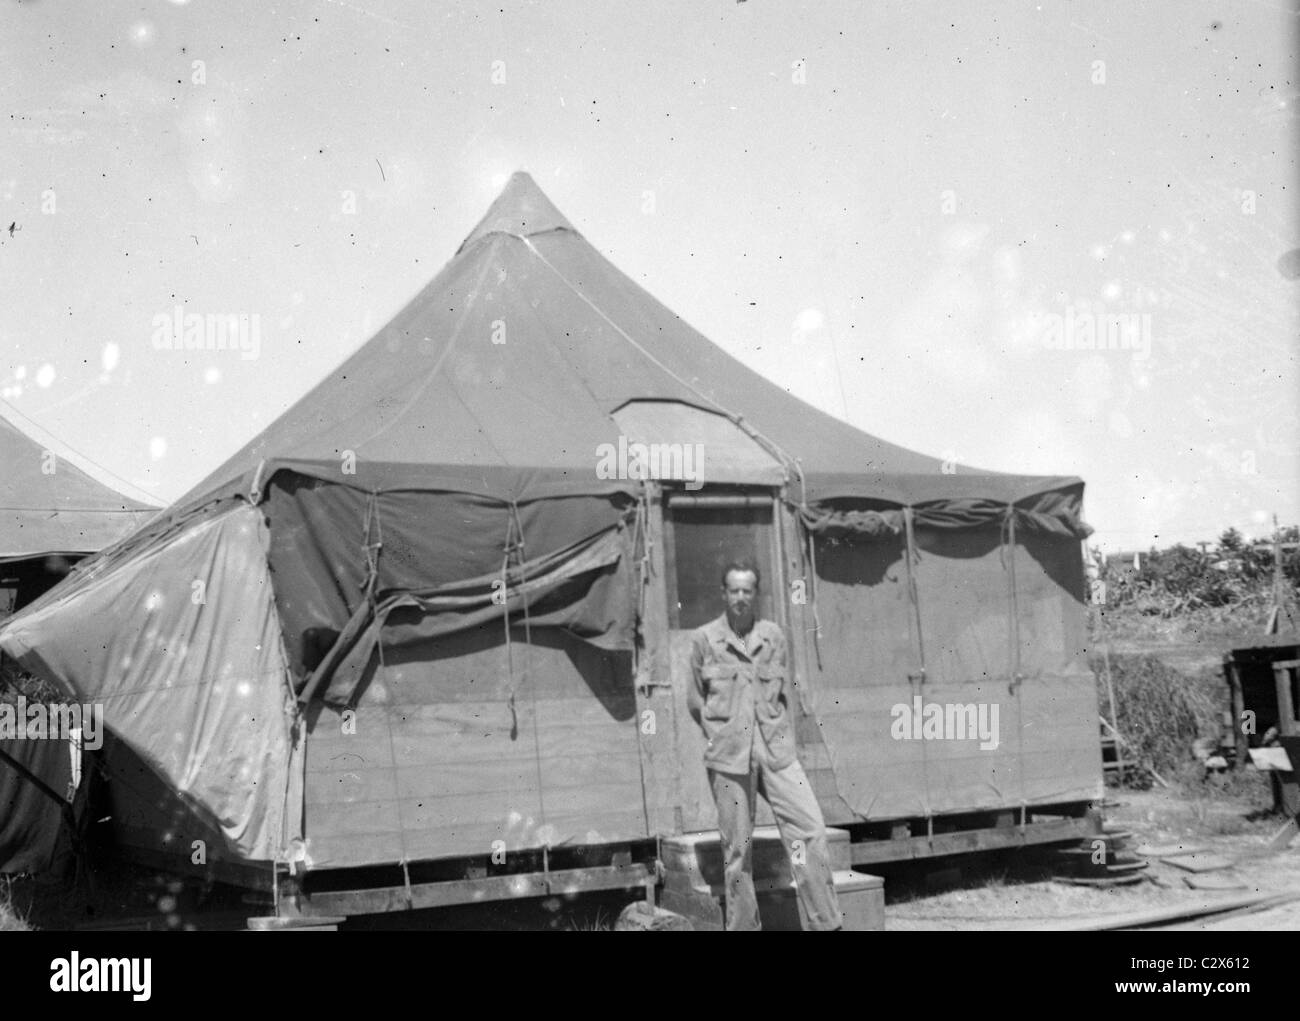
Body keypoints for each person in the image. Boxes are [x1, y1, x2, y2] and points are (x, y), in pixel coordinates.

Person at [688, 559, 842, 931]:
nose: (741, 597)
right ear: (724, 594)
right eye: (734, 590)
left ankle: (827, 924)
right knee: (737, 853)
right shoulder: (706, 640)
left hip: (776, 753)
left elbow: (786, 695)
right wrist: (723, 735)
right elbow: (695, 701)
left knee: (810, 830)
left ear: (755, 594)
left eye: (747, 590)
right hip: (729, 758)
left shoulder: (774, 637)